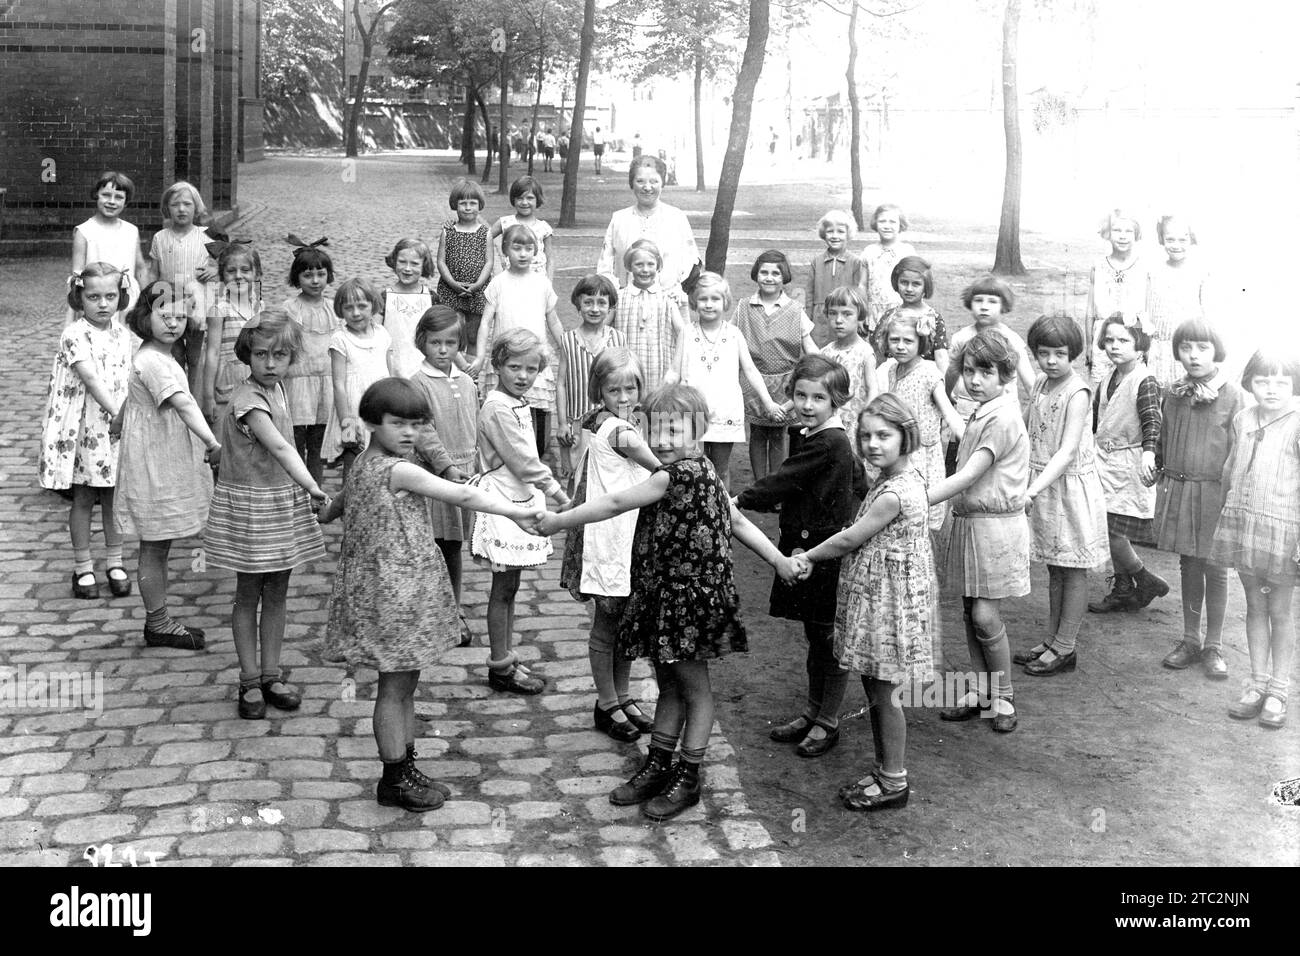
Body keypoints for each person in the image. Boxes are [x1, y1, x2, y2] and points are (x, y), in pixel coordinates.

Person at [537, 384, 796, 822]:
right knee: (669, 682)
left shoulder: (674, 475)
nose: (663, 439)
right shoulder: (707, 472)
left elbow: (614, 503)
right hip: (665, 597)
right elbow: (735, 521)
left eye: (674, 429)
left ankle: (689, 773)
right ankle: (658, 763)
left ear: (699, 429)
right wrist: (777, 559)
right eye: (655, 429)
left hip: (688, 602)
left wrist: (559, 520)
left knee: (694, 688)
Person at [320, 377, 542, 811]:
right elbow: (460, 493)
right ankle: (393, 777)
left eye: (417, 425)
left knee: (404, 684)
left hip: (389, 589)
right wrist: (516, 512)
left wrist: (325, 509)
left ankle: (405, 766)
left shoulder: (363, 463)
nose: (409, 433)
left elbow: (340, 502)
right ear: (370, 423)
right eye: (398, 424)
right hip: (395, 593)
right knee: (395, 687)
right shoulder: (398, 469)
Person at [793, 394, 940, 811]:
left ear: (905, 437)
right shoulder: (892, 482)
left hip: (888, 606)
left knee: (884, 692)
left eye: (884, 436)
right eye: (866, 436)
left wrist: (806, 556)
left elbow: (849, 538)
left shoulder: (894, 493)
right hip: (884, 599)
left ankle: (894, 779)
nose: (874, 444)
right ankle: (884, 770)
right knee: (878, 689)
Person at [736, 355, 867, 758]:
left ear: (838, 401)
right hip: (811, 548)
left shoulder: (831, 441)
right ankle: (813, 711)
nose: (807, 405)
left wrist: (739, 499)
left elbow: (784, 479)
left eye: (818, 398)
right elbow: (861, 481)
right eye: (800, 395)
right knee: (817, 636)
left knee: (829, 640)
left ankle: (827, 721)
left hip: (824, 555)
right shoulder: (819, 436)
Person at [203, 311, 327, 719]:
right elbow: (280, 447)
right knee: (249, 592)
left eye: (280, 356)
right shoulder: (249, 399)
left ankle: (272, 673)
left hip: (279, 501)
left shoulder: (278, 390)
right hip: (255, 509)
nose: (270, 364)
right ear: (247, 355)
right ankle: (249, 679)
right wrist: (311, 485)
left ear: (292, 359)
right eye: (261, 354)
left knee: (277, 590)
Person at [929, 329, 1031, 732]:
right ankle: (981, 690)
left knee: (986, 615)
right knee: (972, 612)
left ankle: (1004, 697)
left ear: (1005, 375)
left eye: (985, 372)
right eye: (969, 371)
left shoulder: (1003, 416)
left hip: (996, 528)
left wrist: (920, 497)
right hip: (972, 524)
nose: (974, 380)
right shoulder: (982, 410)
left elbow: (971, 473)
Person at [558, 348, 661, 741]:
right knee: (608, 624)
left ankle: (622, 695)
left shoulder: (603, 420)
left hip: (624, 531)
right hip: (609, 535)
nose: (623, 397)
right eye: (613, 389)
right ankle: (606, 703)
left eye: (630, 388)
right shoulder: (624, 432)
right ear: (598, 390)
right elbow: (660, 471)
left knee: (624, 622)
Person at [115, 280, 220, 649]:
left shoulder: (155, 354)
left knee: (159, 543)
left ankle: (158, 617)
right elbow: (184, 404)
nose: (174, 324)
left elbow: (132, 398)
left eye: (179, 316)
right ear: (146, 317)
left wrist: (117, 423)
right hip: (155, 461)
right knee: (155, 545)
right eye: (164, 316)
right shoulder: (154, 361)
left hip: (159, 453)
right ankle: (157, 622)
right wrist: (211, 441)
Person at [473, 329, 572, 695]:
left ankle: (507, 655)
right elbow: (524, 461)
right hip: (504, 501)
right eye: (514, 367)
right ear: (498, 365)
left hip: (519, 498)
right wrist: (558, 494)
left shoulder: (518, 402)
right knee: (503, 587)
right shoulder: (498, 406)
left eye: (531, 369)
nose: (522, 376)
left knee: (511, 586)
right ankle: (499, 665)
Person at [1153, 319, 1247, 677]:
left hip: (1215, 493)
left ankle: (1214, 646)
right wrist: (1156, 462)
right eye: (1187, 347)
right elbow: (1164, 439)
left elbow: (1238, 450)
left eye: (1203, 348)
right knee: (1188, 564)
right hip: (1182, 488)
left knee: (1215, 569)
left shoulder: (1233, 395)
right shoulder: (1173, 393)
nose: (1194, 356)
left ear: (1216, 352)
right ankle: (1190, 639)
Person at [1212, 350, 1300, 729]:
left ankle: (1279, 690)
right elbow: (1231, 469)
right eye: (1263, 381)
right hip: (1246, 528)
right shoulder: (1243, 419)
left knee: (1279, 611)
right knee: (1253, 607)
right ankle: (1257, 683)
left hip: (1283, 532)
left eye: (1282, 381)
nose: (1272, 389)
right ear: (1249, 383)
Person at [1016, 314, 1108, 675]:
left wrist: (1033, 489)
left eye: (1059, 353)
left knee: (1073, 568)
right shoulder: (1039, 383)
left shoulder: (1078, 391)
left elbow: (1067, 451)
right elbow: (1027, 427)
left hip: (1068, 488)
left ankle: (1066, 647)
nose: (1051, 361)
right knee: (1055, 566)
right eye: (1043, 353)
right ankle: (1053, 639)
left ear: (1074, 354)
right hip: (1043, 483)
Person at [39, 263, 133, 599]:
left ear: (120, 296)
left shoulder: (123, 335)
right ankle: (82, 567)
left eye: (110, 296)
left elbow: (130, 377)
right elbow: (91, 378)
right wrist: (116, 412)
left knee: (113, 497)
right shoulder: (74, 335)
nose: (103, 304)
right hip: (86, 428)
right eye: (94, 297)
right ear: (80, 297)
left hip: (117, 427)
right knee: (83, 498)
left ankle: (115, 560)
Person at [663, 271, 784, 487]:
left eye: (715, 299)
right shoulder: (687, 333)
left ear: (725, 301)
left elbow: (750, 370)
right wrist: (659, 395)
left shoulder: (734, 334)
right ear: (694, 302)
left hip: (725, 410)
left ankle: (722, 516)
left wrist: (768, 402)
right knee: (692, 465)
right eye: (703, 299)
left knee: (720, 468)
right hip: (692, 410)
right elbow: (674, 371)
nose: (709, 304)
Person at [1087, 315, 1168, 615]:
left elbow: (1152, 420)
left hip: (1128, 462)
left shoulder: (1144, 380)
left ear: (1140, 346)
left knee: (1112, 529)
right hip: (1103, 461)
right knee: (1103, 523)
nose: (1114, 346)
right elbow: (1098, 420)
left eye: (1123, 341)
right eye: (1109, 340)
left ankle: (1141, 577)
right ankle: (1125, 587)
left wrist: (1149, 453)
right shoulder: (1108, 377)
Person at [408, 306, 479, 648]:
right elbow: (423, 431)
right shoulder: (417, 384)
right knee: (432, 544)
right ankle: (428, 608)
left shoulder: (466, 382)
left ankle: (453, 607)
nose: (442, 350)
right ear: (422, 341)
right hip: (434, 477)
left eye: (450, 343)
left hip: (464, 474)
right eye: (435, 342)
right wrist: (446, 467)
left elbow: (475, 425)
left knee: (453, 546)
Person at [471, 224, 568, 459]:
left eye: (528, 248)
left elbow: (553, 320)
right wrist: (481, 355)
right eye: (517, 248)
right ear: (505, 250)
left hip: (533, 359)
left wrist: (567, 346)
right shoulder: (498, 283)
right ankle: (503, 457)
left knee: (536, 413)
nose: (523, 254)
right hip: (507, 358)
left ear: (535, 251)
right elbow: (485, 322)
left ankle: (536, 457)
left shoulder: (542, 283)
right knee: (504, 409)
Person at [734, 250, 817, 481]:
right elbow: (729, 337)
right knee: (758, 435)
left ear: (784, 277)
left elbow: (810, 346)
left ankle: (775, 487)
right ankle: (760, 486)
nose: (769, 278)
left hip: (784, 383)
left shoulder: (794, 309)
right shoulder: (743, 307)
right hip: (754, 381)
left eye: (775, 273)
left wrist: (821, 364)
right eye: (764, 272)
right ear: (756, 274)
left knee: (779, 435)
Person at [878, 310, 965, 532]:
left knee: (921, 514)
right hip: (898, 452)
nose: (900, 346)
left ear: (921, 342)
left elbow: (948, 411)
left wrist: (967, 440)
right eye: (894, 340)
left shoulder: (928, 373)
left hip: (923, 457)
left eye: (908, 341)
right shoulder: (891, 370)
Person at [945, 277, 1036, 474]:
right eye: (979, 300)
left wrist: (1027, 415)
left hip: (1001, 418)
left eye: (992, 302)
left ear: (1004, 306)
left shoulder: (1011, 339)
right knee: (958, 468)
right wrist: (947, 395)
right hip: (966, 418)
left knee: (995, 471)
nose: (984, 307)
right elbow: (952, 372)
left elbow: (1032, 385)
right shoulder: (962, 338)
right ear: (970, 303)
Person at [596, 155, 700, 318]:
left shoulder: (677, 217)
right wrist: (617, 294)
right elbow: (605, 265)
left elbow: (691, 262)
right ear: (632, 183)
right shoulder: (619, 219)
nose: (647, 187)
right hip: (625, 307)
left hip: (668, 305)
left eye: (654, 181)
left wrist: (677, 289)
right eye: (640, 181)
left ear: (662, 183)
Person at [322, 278, 395, 482]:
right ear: (340, 310)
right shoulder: (341, 339)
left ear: (373, 305)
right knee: (353, 465)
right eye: (348, 308)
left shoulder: (382, 334)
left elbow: (390, 374)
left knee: (383, 463)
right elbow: (338, 385)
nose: (355, 313)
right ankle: (349, 510)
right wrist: (347, 424)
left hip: (381, 411)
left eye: (362, 306)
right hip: (353, 413)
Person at [147, 181, 217, 392]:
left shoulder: (206, 237)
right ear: (167, 208)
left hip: (198, 308)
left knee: (196, 357)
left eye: (187, 204)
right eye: (175, 204)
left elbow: (223, 266)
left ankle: (195, 399)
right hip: (169, 305)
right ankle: (175, 396)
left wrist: (216, 271)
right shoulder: (160, 238)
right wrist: (149, 297)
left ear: (196, 207)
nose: (181, 209)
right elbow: (153, 271)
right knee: (173, 354)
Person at [280, 238, 336, 489]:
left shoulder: (334, 308)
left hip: (326, 383)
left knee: (319, 444)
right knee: (294, 440)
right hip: (298, 383)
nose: (315, 281)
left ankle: (317, 491)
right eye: (307, 275)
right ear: (297, 278)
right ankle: (294, 489)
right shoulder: (289, 308)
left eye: (321, 275)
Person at [558, 275, 625, 482]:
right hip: (577, 421)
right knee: (576, 476)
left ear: (610, 307)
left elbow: (622, 381)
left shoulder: (618, 338)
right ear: (579, 305)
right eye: (588, 302)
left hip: (609, 420)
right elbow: (561, 383)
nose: (595, 309)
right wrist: (561, 423)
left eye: (601, 303)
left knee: (606, 474)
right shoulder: (568, 339)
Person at [202, 242, 263, 425]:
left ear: (257, 274)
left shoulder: (259, 308)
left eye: (245, 270)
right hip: (227, 385)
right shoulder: (219, 310)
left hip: (255, 381)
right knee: (226, 438)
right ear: (222, 276)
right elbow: (211, 353)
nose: (238, 276)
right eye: (231, 271)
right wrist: (207, 397)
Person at [610, 239, 682, 394]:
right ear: (629, 266)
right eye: (639, 264)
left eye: (650, 264)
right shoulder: (619, 297)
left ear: (658, 266)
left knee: (657, 412)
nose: (645, 269)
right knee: (629, 411)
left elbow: (683, 333)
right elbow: (604, 329)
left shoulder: (667, 298)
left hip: (660, 370)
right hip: (626, 371)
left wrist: (677, 367)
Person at [1085, 208, 1148, 384]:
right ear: (1108, 233)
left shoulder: (1143, 267)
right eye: (1117, 230)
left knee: (1129, 388)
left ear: (1136, 235)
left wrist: (1145, 345)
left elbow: (1146, 309)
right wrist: (1089, 345)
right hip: (1103, 339)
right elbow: (1090, 310)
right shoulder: (1098, 266)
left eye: (1128, 231)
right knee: (1100, 391)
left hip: (1131, 339)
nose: (1123, 236)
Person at [1145, 215, 1209, 388]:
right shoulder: (1154, 273)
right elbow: (1145, 313)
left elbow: (1207, 315)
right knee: (1159, 398)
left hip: (1188, 349)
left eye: (1182, 239)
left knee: (1186, 396)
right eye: (1170, 239)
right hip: (1158, 351)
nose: (1176, 245)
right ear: (1162, 239)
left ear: (1191, 239)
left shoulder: (1200, 273)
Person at [72, 171, 148, 315]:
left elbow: (140, 268)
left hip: (128, 301)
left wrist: (147, 300)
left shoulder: (131, 231)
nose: (112, 201)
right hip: (97, 300)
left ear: (126, 202)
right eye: (106, 195)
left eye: (119, 197)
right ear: (96, 195)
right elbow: (77, 274)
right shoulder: (84, 231)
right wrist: (79, 305)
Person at [436, 179, 492, 358]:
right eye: (463, 203)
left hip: (477, 291)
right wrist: (452, 283)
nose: (468, 208)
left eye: (472, 203)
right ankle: (453, 369)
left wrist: (477, 285)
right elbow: (441, 261)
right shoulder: (448, 230)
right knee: (454, 332)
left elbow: (489, 263)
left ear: (479, 205)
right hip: (451, 291)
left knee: (473, 335)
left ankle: (471, 374)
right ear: (455, 205)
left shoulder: (485, 232)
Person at [819, 285, 878, 452]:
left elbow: (873, 389)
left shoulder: (865, 352)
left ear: (859, 316)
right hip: (828, 424)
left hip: (853, 426)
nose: (838, 320)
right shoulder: (826, 352)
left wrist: (866, 418)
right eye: (833, 313)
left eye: (846, 314)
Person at [872, 256, 949, 374]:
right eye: (904, 282)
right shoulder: (890, 315)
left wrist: (944, 387)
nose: (909, 289)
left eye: (916, 284)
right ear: (896, 282)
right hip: (893, 374)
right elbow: (878, 351)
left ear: (926, 286)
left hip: (923, 376)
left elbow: (941, 357)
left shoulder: (933, 318)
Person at [805, 210, 868, 348]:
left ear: (848, 234)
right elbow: (809, 293)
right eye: (830, 231)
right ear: (823, 234)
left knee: (844, 349)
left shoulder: (855, 262)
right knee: (820, 355)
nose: (835, 236)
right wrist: (807, 319)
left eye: (840, 232)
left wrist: (859, 318)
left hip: (845, 315)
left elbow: (860, 292)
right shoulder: (817, 262)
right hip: (820, 318)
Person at [383, 238, 437, 377]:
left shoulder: (431, 298)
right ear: (394, 261)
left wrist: (463, 365)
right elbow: (374, 334)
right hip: (392, 367)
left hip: (423, 367)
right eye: (402, 262)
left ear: (423, 265)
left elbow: (442, 330)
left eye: (414, 264)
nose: (407, 269)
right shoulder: (385, 297)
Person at [860, 203, 915, 332]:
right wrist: (861, 313)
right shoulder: (869, 252)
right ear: (875, 223)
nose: (887, 226)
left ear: (900, 224)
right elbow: (862, 285)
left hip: (901, 310)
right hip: (875, 312)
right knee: (876, 349)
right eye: (882, 221)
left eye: (892, 222)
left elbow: (916, 283)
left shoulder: (907, 251)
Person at [489, 176, 555, 284]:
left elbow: (550, 259)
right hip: (511, 283)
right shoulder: (505, 222)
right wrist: (492, 263)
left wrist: (549, 284)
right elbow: (485, 238)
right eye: (520, 198)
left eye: (529, 198)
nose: (524, 202)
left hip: (537, 285)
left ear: (537, 199)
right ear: (513, 199)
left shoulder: (544, 228)